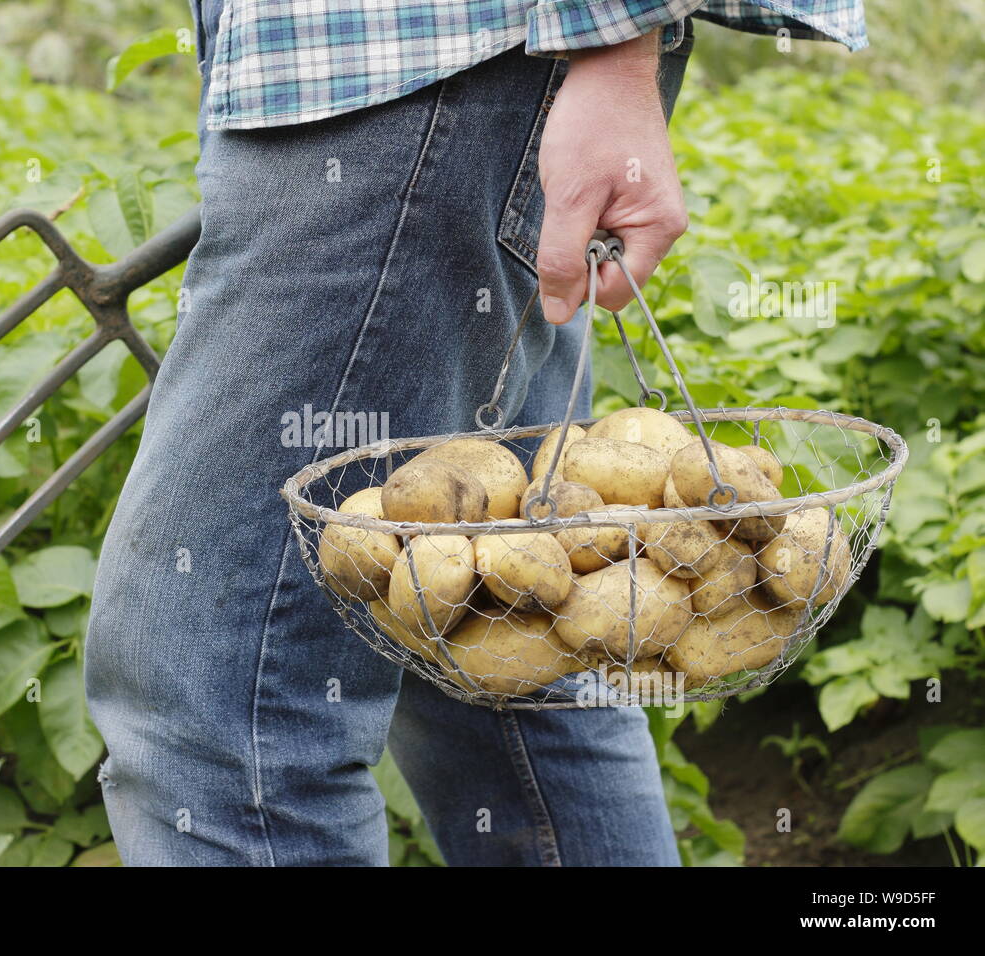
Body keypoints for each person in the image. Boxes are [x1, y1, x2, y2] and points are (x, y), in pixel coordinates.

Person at [84, 0, 866, 866]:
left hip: (413, 71)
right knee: (485, 634)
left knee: (221, 703)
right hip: (425, 77)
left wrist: (615, 46)